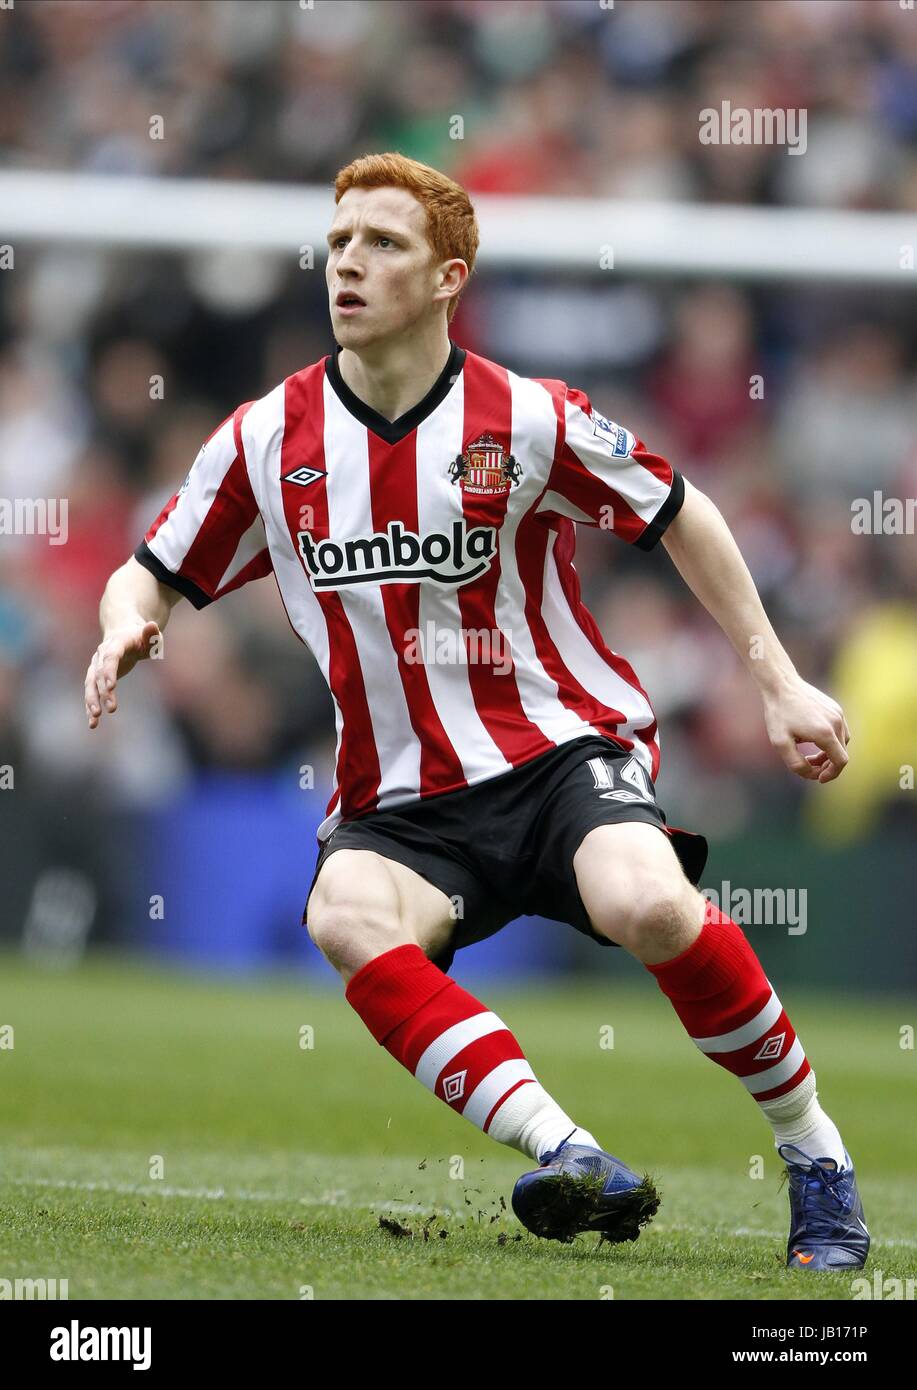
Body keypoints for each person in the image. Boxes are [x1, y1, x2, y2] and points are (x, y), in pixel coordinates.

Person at [85, 152, 867, 1267]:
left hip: (554, 752)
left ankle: (814, 1156)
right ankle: (569, 1152)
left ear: (449, 275)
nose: (348, 263)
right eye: (339, 241)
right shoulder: (268, 440)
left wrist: (777, 679)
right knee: (344, 916)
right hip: (399, 794)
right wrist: (128, 621)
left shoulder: (528, 416)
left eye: (383, 244)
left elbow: (681, 512)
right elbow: (148, 568)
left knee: (647, 904)